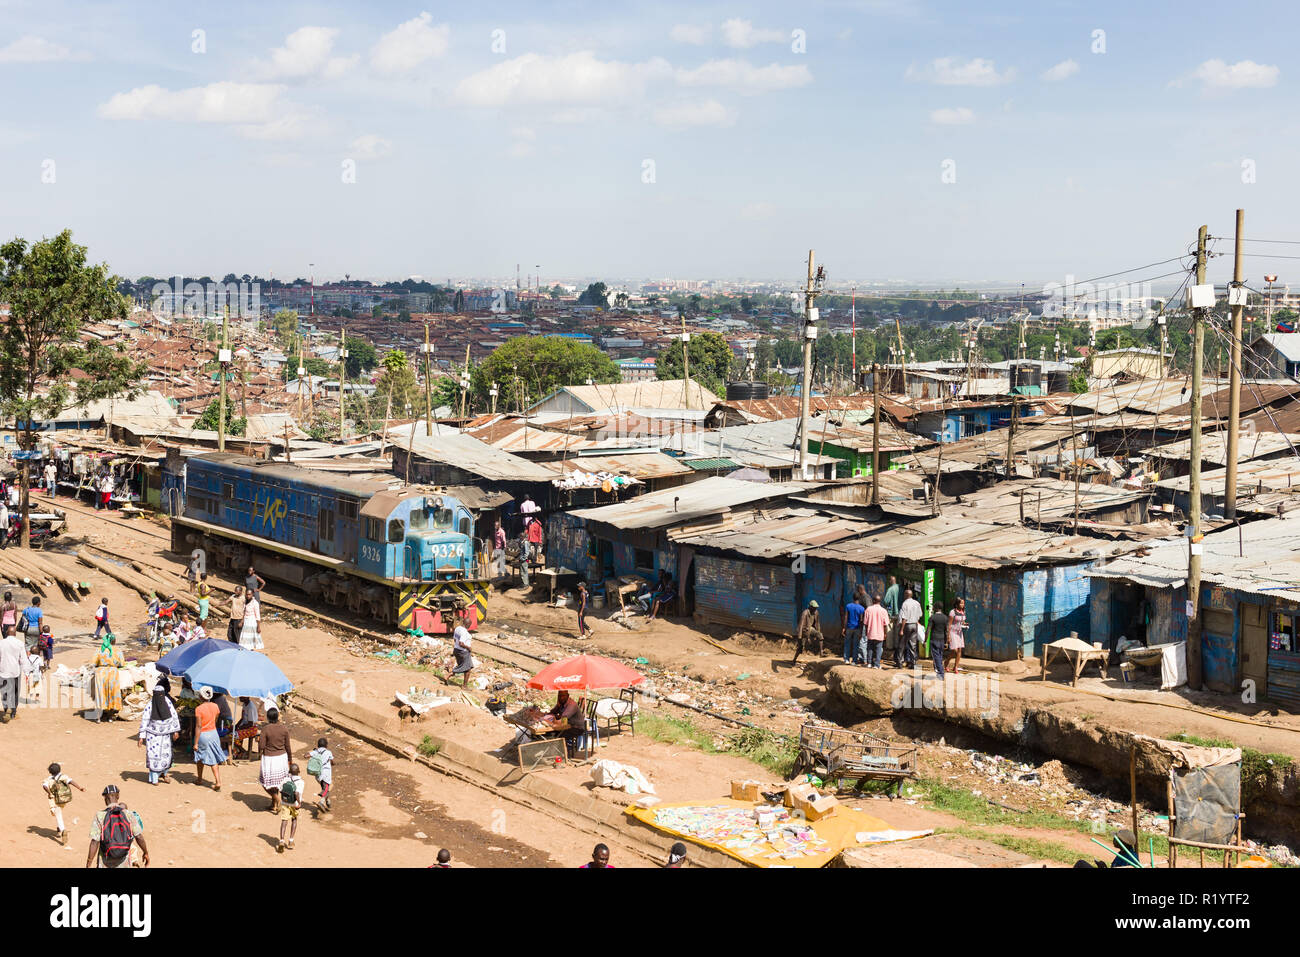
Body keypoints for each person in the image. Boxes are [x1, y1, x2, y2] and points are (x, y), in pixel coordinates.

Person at [86, 785, 148, 869]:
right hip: (124, 860)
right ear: (118, 796)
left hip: (105, 860)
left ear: (105, 798)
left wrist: (89, 862)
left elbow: (94, 842)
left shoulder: (100, 815)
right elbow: (139, 836)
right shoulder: (128, 814)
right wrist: (145, 852)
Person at [137, 679, 180, 785]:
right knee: (154, 757)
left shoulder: (167, 702)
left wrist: (175, 731)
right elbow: (145, 720)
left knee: (166, 755)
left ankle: (165, 774)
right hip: (153, 736)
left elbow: (174, 716)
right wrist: (141, 737)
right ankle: (154, 779)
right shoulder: (150, 705)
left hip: (165, 735)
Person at [42, 762, 86, 846]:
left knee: (56, 813)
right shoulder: (64, 777)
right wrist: (80, 788)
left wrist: (49, 793)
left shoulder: (49, 779)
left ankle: (62, 830)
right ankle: (59, 827)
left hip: (54, 799)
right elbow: (71, 781)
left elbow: (44, 786)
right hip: (64, 799)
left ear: (50, 772)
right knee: (57, 812)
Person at [192, 686, 226, 790]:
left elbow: (198, 726)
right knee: (213, 758)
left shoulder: (199, 709)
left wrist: (196, 742)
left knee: (200, 757)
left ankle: (200, 779)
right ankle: (217, 781)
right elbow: (216, 719)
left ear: (201, 696)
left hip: (204, 735)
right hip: (214, 733)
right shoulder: (215, 706)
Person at [260, 707, 293, 812]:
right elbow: (288, 746)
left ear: (268, 717)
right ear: (278, 717)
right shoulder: (284, 729)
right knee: (278, 783)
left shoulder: (265, 729)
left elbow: (261, 746)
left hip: (269, 759)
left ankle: (277, 799)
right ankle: (273, 804)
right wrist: (290, 760)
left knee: (266, 782)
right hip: (281, 758)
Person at [92, 635, 125, 722]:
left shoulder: (99, 649)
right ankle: (110, 716)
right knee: (112, 693)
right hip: (112, 673)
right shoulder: (117, 650)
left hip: (101, 673)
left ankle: (98, 717)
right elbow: (122, 663)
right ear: (114, 641)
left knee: (100, 693)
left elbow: (93, 662)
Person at [277, 762, 305, 852]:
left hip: (285, 803)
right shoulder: (301, 782)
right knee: (294, 820)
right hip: (295, 804)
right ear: (299, 771)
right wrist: (299, 803)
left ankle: (281, 841)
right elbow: (297, 793)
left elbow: (280, 789)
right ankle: (291, 841)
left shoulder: (285, 779)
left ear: (290, 771)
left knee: (284, 822)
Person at [0, 626, 25, 721]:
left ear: (7, 633)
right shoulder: (20, 643)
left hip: (3, 671)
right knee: (15, 691)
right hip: (15, 671)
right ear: (15, 633)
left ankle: (7, 708)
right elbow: (23, 660)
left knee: (4, 691)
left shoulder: (1, 643)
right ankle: (13, 713)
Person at [862, 594, 889, 669]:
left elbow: (865, 623)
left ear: (873, 601)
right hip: (880, 633)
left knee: (870, 649)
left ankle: (869, 663)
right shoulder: (884, 611)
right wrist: (885, 634)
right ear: (880, 601)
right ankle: (877, 665)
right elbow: (885, 625)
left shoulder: (868, 609)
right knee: (878, 649)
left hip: (870, 633)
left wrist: (867, 631)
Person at [307, 737, 334, 811]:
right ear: (326, 745)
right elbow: (332, 762)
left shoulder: (316, 751)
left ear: (318, 745)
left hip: (318, 775)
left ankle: (328, 801)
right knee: (326, 790)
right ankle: (321, 802)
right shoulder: (328, 752)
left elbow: (306, 755)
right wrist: (332, 763)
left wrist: (314, 752)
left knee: (324, 788)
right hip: (326, 775)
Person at [898, 588, 923, 668]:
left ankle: (900, 663)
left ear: (906, 595)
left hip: (907, 625)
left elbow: (904, 617)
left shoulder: (905, 604)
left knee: (902, 645)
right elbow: (920, 615)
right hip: (914, 625)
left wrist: (901, 629)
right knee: (913, 645)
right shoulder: (917, 603)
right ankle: (913, 663)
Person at [793, 600, 822, 664]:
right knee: (800, 647)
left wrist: (818, 631)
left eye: (816, 607)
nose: (815, 609)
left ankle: (821, 653)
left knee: (820, 635)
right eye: (814, 607)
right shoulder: (805, 613)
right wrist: (800, 636)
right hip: (803, 630)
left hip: (810, 629)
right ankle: (794, 660)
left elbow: (817, 623)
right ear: (810, 607)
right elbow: (801, 625)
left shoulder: (816, 612)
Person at [449, 609, 474, 687]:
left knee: (462, 666)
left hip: (456, 650)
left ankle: (451, 674)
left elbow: (455, 639)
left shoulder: (457, 628)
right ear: (468, 624)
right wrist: (468, 648)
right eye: (470, 625)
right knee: (468, 669)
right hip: (463, 651)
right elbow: (461, 643)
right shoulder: (464, 632)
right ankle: (464, 685)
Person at [841, 592, 866, 665]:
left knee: (847, 643)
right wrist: (861, 631)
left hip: (849, 627)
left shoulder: (848, 606)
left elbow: (846, 617)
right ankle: (854, 660)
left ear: (853, 598)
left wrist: (844, 627)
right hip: (857, 628)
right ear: (859, 598)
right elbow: (861, 620)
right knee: (856, 644)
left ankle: (846, 659)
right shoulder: (862, 608)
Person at [946, 598, 967, 675]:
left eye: (963, 603)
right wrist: (948, 636)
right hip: (953, 632)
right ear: (957, 604)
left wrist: (965, 624)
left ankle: (956, 667)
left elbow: (962, 622)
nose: (962, 605)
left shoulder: (963, 612)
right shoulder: (952, 612)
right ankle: (946, 662)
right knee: (954, 650)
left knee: (959, 650)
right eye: (961, 603)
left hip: (960, 633)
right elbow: (949, 624)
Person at [883, 575, 901, 665]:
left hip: (892, 614)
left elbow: (886, 601)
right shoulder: (899, 588)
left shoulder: (890, 589)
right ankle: (897, 647)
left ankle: (890, 647)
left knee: (890, 631)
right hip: (900, 615)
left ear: (890, 580)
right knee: (898, 633)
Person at [928, 604, 950, 679]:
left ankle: (941, 673)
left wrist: (925, 640)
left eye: (934, 607)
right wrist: (946, 642)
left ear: (936, 608)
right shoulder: (945, 618)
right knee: (940, 656)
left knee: (936, 656)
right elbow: (947, 631)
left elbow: (928, 630)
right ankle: (938, 671)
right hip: (942, 639)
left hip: (934, 639)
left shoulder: (932, 617)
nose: (933, 608)